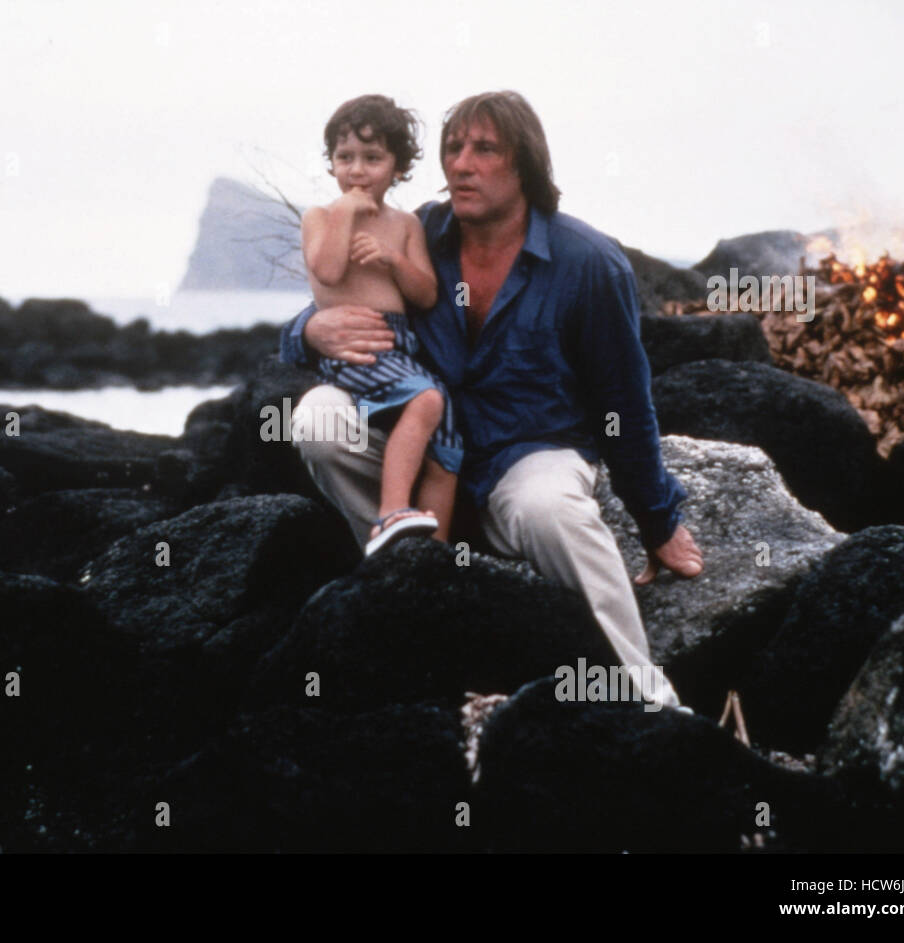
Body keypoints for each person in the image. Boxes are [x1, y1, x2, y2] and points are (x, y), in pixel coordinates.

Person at [279, 91, 704, 709]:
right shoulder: (423, 230)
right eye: (453, 149)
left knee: (551, 510)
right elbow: (346, 289)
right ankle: (409, 574)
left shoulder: (587, 264)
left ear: (524, 163)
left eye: (484, 150)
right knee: (319, 417)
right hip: (429, 448)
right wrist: (306, 332)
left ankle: (649, 702)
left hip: (529, 453)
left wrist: (658, 520)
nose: (461, 165)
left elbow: (624, 402)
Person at [302, 94, 463, 556]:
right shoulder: (321, 218)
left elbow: (427, 294)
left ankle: (433, 556)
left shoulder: (406, 225)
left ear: (397, 167)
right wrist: (346, 216)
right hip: (356, 349)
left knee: (446, 444)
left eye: (372, 158)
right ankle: (391, 512)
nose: (356, 171)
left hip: (400, 348)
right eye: (345, 157)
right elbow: (328, 273)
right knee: (427, 399)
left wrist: (393, 260)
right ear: (331, 163)